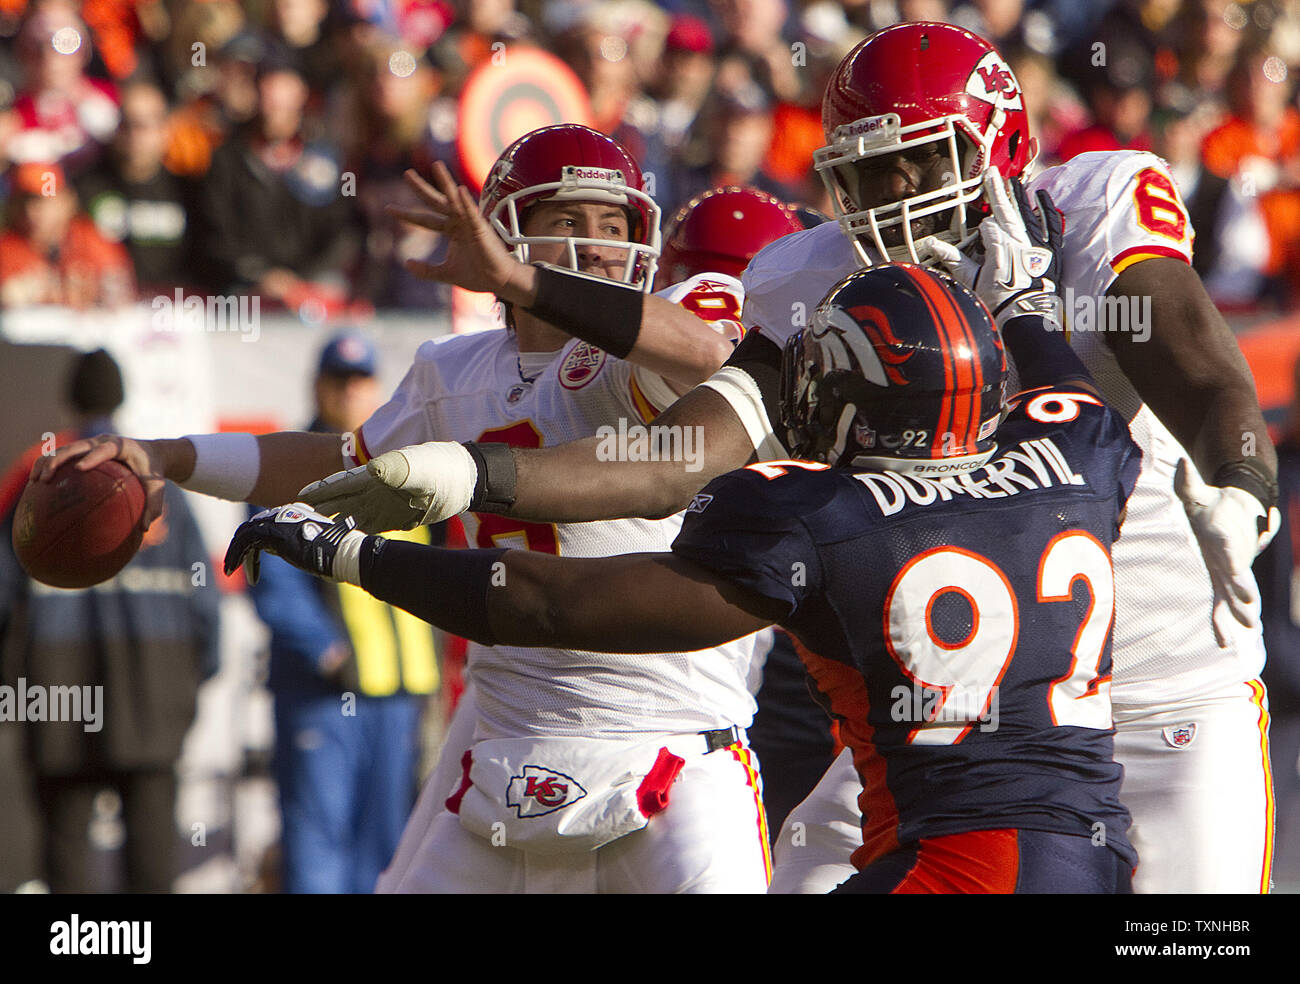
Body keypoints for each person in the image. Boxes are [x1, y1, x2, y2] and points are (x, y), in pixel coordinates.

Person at [298, 22, 1279, 895]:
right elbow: (679, 458)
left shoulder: (1097, 207)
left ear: (1002, 147)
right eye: (867, 174)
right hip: (926, 721)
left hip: (1160, 691)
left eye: (919, 164)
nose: (891, 202)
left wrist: (1240, 485)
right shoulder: (811, 277)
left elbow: (1198, 363)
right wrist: (474, 475)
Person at [226, 252, 1141, 894]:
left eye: (823, 374)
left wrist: (351, 554)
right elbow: (1064, 386)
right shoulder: (1082, 450)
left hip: (957, 866)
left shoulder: (829, 518)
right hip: (1100, 851)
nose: (805, 394)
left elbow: (550, 603)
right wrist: (1024, 300)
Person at [32, 125, 770, 893]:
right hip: (509, 748)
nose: (600, 244)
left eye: (614, 225)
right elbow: (337, 460)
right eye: (569, 222)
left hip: (674, 745)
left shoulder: (641, 350)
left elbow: (716, 360)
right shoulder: (452, 371)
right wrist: (171, 455)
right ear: (505, 229)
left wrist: (530, 283)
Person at [0, 349, 218, 893]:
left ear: (71, 396)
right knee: (151, 851)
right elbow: (204, 601)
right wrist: (190, 683)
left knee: (66, 847)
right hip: (153, 694)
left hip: (55, 692)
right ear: (121, 397)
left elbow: (2, 594)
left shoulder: (39, 471)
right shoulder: (153, 476)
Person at [244, 333, 440, 894]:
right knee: (317, 844)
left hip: (399, 693)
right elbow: (270, 581)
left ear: (375, 388)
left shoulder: (402, 464)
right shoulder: (289, 467)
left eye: (360, 382)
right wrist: (328, 654)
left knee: (386, 850)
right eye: (339, 381)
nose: (350, 393)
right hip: (324, 694)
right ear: (317, 386)